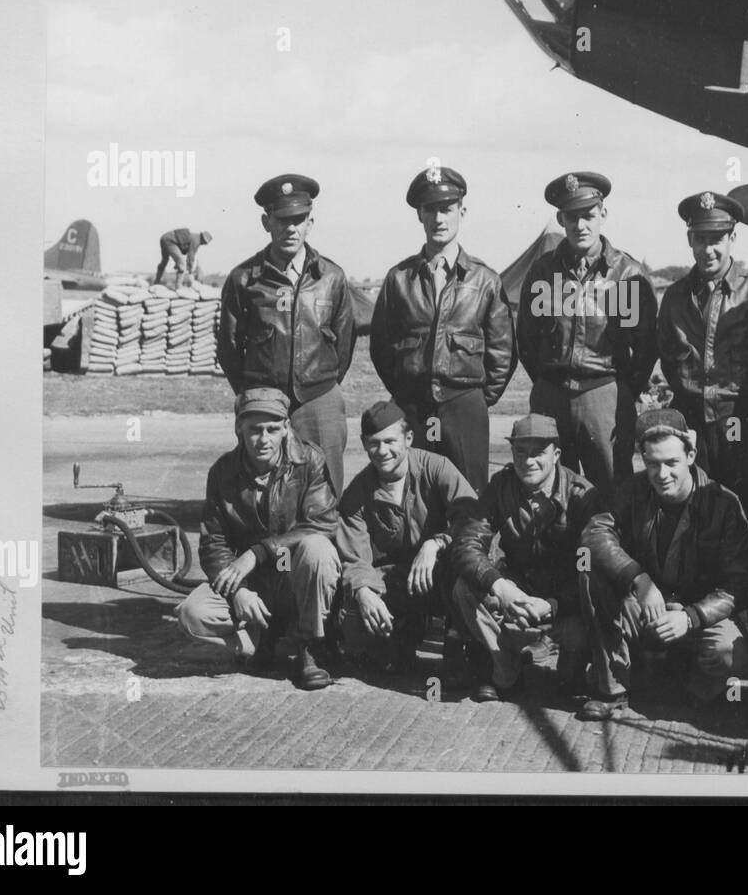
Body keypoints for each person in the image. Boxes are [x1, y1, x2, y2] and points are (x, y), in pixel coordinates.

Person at [577, 408, 748, 720]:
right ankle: (612, 689)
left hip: (696, 616)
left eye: (672, 462)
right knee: (591, 570)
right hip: (648, 607)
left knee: (730, 653)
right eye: (652, 463)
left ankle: (685, 685)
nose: (662, 474)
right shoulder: (632, 490)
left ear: (691, 455)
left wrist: (692, 616)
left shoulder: (724, 503)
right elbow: (595, 533)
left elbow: (737, 583)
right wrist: (638, 578)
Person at [177, 387, 342, 691]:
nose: (263, 439)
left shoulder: (309, 461)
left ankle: (310, 648)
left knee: (318, 549)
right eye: (254, 430)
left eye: (272, 429)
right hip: (254, 583)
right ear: (239, 428)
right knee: (193, 613)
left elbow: (322, 523)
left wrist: (258, 552)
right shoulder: (223, 471)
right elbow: (213, 542)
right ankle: (257, 641)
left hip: (293, 573)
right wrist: (237, 592)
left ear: (286, 429)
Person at [370, 165, 515, 492]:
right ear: (419, 215)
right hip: (414, 407)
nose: (439, 218)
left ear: (461, 211)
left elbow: (502, 353)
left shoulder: (484, 280)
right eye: (430, 210)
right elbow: (381, 347)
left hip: (464, 408)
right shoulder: (399, 279)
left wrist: (473, 398)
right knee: (416, 492)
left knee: (468, 495)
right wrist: (408, 391)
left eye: (447, 209)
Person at [517, 172, 658, 504]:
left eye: (588, 215)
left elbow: (647, 345)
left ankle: (612, 554)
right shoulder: (542, 273)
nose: (580, 225)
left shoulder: (627, 275)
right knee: (551, 489)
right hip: (551, 395)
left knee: (611, 487)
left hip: (603, 395)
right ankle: (562, 556)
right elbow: (527, 339)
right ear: (560, 219)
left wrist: (622, 391)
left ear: (603, 215)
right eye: (572, 217)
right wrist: (547, 382)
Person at [217, 174, 356, 495]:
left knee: (326, 485)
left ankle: (324, 544)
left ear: (311, 222)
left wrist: (322, 383)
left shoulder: (331, 277)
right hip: (263, 399)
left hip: (318, 399)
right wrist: (253, 393)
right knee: (261, 487)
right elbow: (229, 348)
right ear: (267, 222)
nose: (291, 228)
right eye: (282, 220)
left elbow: (344, 343)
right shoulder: (243, 280)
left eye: (299, 220)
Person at [449, 414, 602, 702]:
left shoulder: (582, 494)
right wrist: (502, 588)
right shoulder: (501, 486)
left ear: (556, 455)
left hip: (567, 604)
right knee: (464, 588)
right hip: (518, 594)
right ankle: (506, 671)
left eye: (538, 453)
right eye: (520, 452)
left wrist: (554, 605)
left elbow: (594, 566)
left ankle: (573, 668)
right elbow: (467, 545)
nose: (528, 461)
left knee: (568, 683)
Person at [658, 191, 748, 505]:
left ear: (733, 237)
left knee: (743, 505)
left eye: (717, 239)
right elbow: (668, 356)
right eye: (701, 239)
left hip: (740, 423)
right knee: (694, 507)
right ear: (690, 239)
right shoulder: (675, 296)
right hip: (691, 422)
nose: (708, 249)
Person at [335, 400, 478, 676]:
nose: (382, 451)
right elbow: (354, 556)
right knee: (359, 627)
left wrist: (436, 543)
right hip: (397, 580)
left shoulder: (437, 468)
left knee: (467, 569)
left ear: (409, 438)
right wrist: (364, 590)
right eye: (374, 443)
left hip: (440, 573)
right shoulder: (356, 493)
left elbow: (474, 517)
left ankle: (459, 643)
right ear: (364, 444)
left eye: (390, 441)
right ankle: (402, 638)